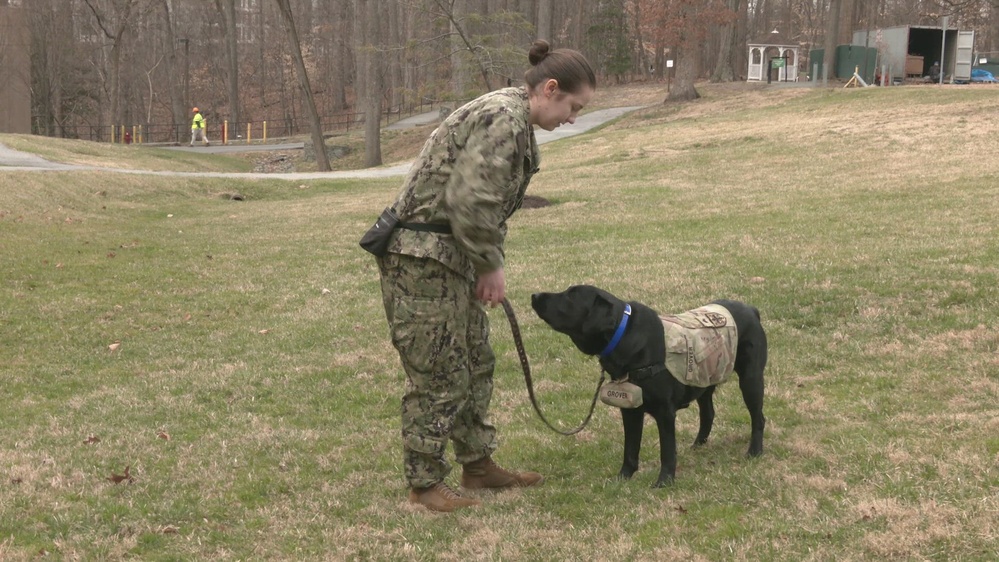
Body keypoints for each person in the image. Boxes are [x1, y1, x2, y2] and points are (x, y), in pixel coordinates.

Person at [373, 39, 595, 513]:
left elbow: (484, 202)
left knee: (474, 359)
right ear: (550, 89)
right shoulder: (505, 118)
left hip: (446, 257)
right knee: (439, 371)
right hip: (421, 261)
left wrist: (479, 261)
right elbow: (470, 201)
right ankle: (425, 485)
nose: (573, 117)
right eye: (573, 106)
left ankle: (477, 466)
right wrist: (491, 266)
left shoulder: (516, 118)